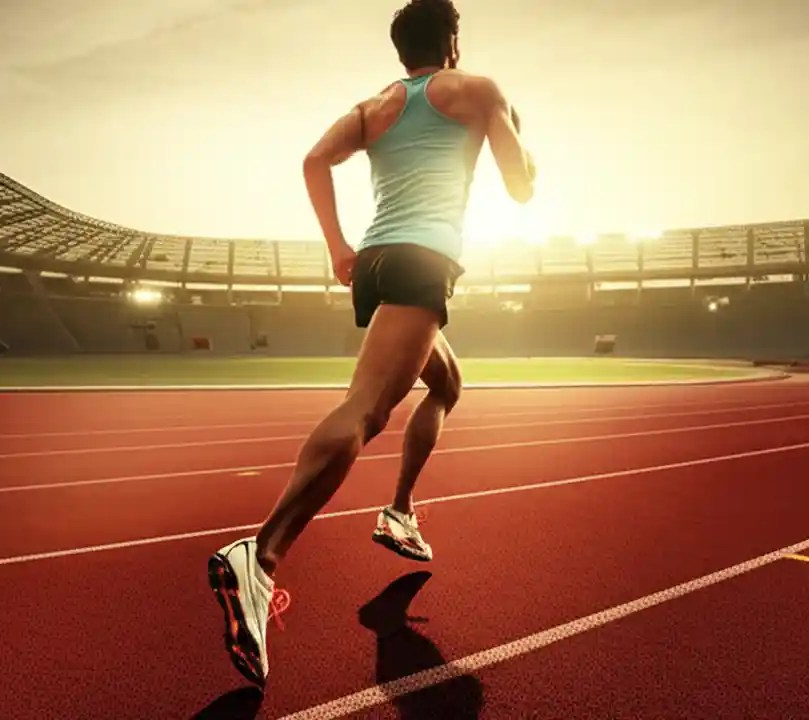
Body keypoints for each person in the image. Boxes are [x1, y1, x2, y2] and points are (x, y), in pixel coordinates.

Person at [207, 0, 535, 687]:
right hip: (422, 258)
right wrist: (518, 132)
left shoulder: (372, 108)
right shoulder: (475, 89)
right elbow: (522, 185)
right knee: (366, 408)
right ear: (452, 42)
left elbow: (313, 161)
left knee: (445, 384)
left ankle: (400, 511)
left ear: (401, 52)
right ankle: (261, 556)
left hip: (378, 258)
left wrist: (336, 247)